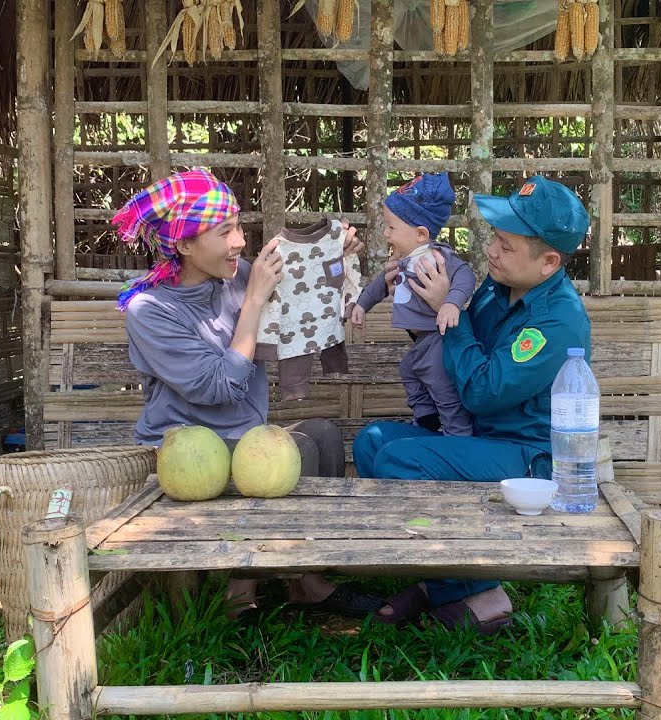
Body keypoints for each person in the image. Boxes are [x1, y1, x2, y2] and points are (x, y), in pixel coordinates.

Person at [116, 168, 382, 620]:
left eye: (239, 227)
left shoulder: (234, 278)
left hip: (242, 437)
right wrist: (254, 301)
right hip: (188, 449)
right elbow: (218, 388)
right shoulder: (149, 311)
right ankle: (241, 595)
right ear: (183, 244)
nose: (240, 242)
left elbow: (306, 296)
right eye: (226, 232)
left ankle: (305, 578)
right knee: (296, 448)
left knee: (324, 434)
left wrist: (335, 255)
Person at [352, 175, 593, 633]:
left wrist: (452, 314)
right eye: (495, 238)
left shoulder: (557, 321)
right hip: (478, 438)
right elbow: (441, 349)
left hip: (526, 456)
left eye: (506, 244)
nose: (493, 250)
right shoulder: (494, 289)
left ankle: (463, 590)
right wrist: (412, 293)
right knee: (371, 443)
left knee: (400, 460)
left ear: (548, 262)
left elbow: (481, 390)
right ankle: (446, 580)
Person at [351, 172, 477, 435]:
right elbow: (380, 285)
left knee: (444, 390)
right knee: (408, 368)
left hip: (438, 341)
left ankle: (458, 434)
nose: (385, 234)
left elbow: (465, 276)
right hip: (421, 342)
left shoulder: (438, 257)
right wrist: (362, 304)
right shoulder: (403, 261)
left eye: (391, 227)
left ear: (421, 234)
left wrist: (451, 303)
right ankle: (426, 416)